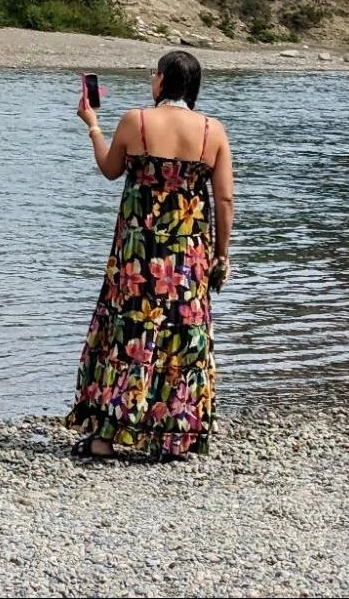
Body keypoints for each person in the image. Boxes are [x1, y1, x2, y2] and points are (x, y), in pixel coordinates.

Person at [69, 49, 234, 461]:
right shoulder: (213, 131)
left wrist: (92, 125)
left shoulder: (135, 121)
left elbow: (110, 169)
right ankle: (175, 437)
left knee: (130, 337)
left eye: (154, 75)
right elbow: (225, 199)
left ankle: (106, 437)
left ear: (161, 80)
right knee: (183, 336)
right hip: (188, 255)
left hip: (138, 256)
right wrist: (221, 255)